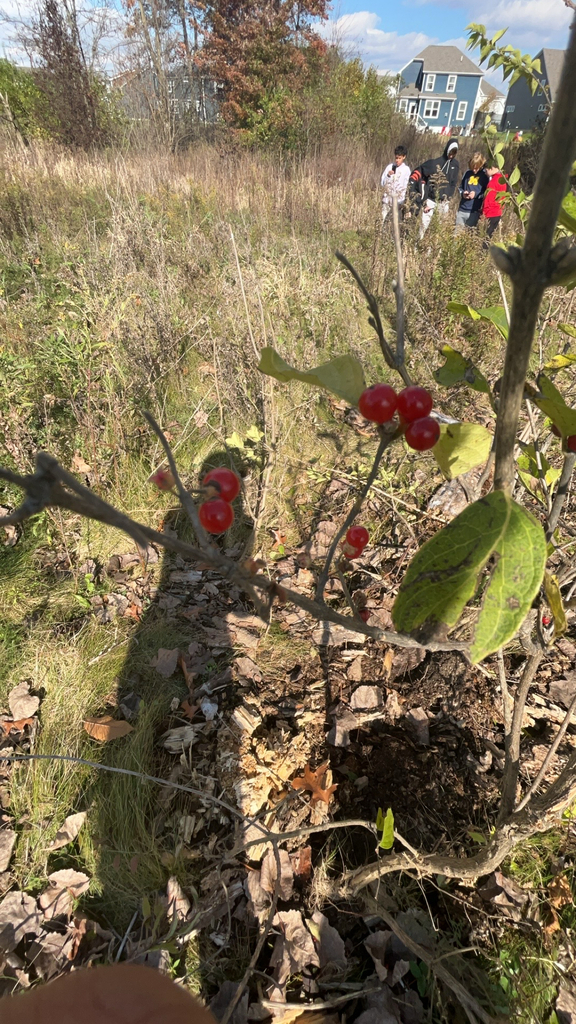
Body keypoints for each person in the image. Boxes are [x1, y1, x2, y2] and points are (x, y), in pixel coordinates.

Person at [408, 140, 460, 239]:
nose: (451, 156)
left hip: (444, 202)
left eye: (454, 153)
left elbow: (453, 183)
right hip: (431, 201)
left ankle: (432, 252)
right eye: (450, 152)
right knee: (423, 227)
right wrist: (424, 198)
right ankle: (417, 247)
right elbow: (422, 172)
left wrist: (449, 196)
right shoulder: (436, 162)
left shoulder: (455, 165)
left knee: (439, 230)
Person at [454, 152, 489, 231]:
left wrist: (476, 195)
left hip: (474, 211)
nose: (474, 170)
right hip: (462, 209)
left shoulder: (485, 175)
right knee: (456, 235)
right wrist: (463, 193)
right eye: (472, 167)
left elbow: (486, 193)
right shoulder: (467, 173)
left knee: (469, 234)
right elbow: (460, 188)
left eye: (476, 168)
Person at [381, 145, 411, 224]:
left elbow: (406, 185)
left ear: (404, 157)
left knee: (396, 223)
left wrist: (403, 201)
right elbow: (382, 183)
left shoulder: (406, 170)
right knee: (383, 221)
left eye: (399, 158)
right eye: (396, 158)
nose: (397, 160)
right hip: (387, 200)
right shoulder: (389, 167)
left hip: (398, 202)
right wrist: (388, 176)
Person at [482, 164, 507, 239]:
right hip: (497, 212)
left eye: (486, 170)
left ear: (491, 168)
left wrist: (483, 213)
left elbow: (489, 200)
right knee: (488, 237)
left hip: (490, 213)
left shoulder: (493, 182)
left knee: (484, 238)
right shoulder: (502, 179)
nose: (485, 173)